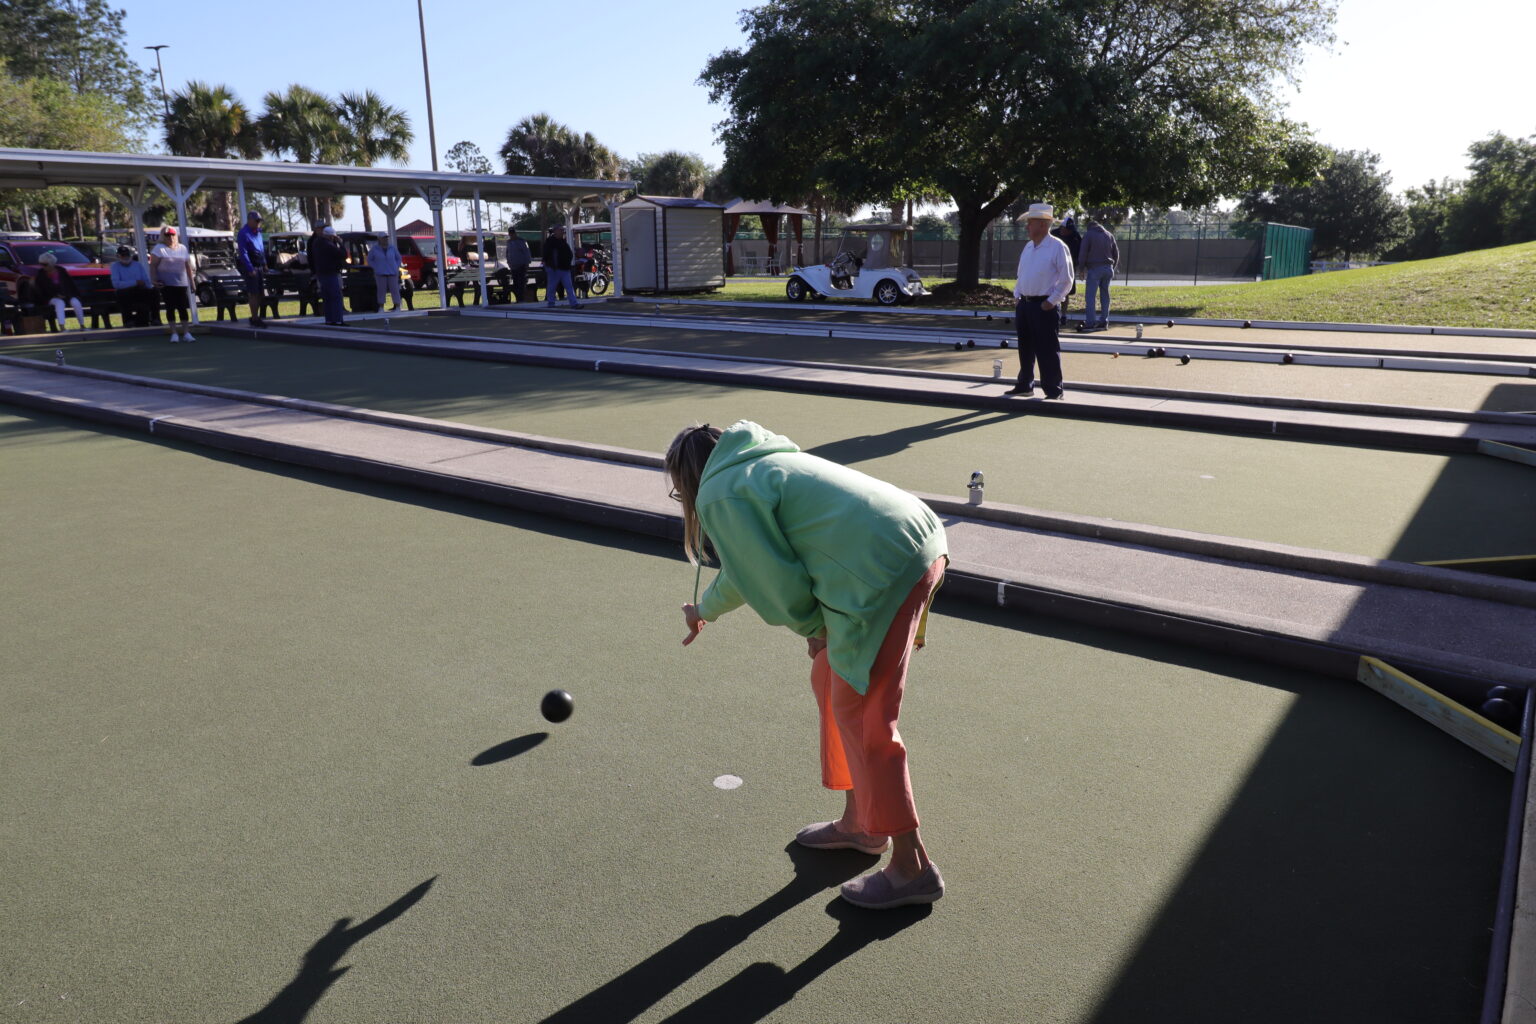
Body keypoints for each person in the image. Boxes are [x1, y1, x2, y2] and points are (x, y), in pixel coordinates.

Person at [669, 420, 949, 910]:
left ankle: (912, 869)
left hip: (881, 567)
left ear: (688, 479)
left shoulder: (721, 492)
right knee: (830, 681)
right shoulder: (755, 464)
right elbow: (745, 570)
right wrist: (704, 612)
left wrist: (814, 628)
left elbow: (775, 582)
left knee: (865, 716)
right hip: (914, 540)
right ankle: (861, 823)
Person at [1008, 203, 1073, 399]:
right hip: (1025, 305)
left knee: (1047, 349)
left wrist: (1051, 301)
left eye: (1031, 223)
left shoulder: (1058, 247)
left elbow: (1067, 279)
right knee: (1025, 347)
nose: (1027, 226)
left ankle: (1053, 390)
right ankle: (1025, 384)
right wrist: (1017, 296)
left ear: (1043, 225)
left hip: (1044, 306)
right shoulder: (1028, 247)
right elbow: (1021, 274)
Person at [149, 226, 195, 342]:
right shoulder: (159, 249)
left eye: (172, 235)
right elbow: (153, 265)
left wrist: (192, 282)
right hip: (166, 283)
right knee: (170, 307)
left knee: (183, 307)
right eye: (167, 235)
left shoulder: (182, 248)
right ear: (163, 236)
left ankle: (186, 333)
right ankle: (174, 333)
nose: (170, 237)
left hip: (181, 282)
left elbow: (187, 266)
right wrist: (154, 279)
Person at [1077, 218, 1120, 332]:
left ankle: (1090, 322)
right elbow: (1116, 253)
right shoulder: (1109, 235)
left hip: (1095, 268)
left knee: (1090, 297)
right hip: (1108, 268)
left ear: (1089, 227)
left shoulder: (1088, 234)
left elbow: (1083, 252)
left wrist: (1081, 269)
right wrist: (1112, 268)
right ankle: (1103, 321)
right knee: (1105, 295)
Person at [32, 251, 86, 331]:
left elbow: (70, 286)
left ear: (52, 263)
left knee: (75, 302)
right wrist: (56, 295)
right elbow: (42, 290)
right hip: (50, 297)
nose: (43, 267)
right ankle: (62, 326)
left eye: (45, 264)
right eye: (41, 264)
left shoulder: (62, 271)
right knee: (59, 303)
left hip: (67, 295)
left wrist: (66, 295)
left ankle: (82, 324)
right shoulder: (40, 274)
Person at [309, 223, 347, 326]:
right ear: (331, 236)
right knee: (335, 297)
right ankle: (338, 319)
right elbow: (343, 254)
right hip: (330, 273)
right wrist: (340, 243)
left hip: (321, 273)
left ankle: (329, 319)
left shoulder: (316, 243)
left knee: (327, 298)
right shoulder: (328, 245)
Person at [108, 245, 154, 326]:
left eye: (127, 255)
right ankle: (128, 321)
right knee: (123, 294)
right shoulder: (115, 266)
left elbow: (146, 280)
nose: (125, 257)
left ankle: (152, 319)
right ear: (118, 256)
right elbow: (116, 284)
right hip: (125, 292)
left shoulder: (138, 265)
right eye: (123, 255)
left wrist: (147, 285)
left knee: (152, 292)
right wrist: (135, 282)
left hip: (139, 291)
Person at [236, 211, 267, 327]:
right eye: (257, 221)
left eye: (259, 221)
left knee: (260, 293)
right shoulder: (244, 233)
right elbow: (243, 253)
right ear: (250, 220)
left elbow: (261, 249)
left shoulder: (258, 233)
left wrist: (264, 263)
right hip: (251, 265)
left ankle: (256, 316)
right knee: (253, 293)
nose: (258, 223)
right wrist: (250, 268)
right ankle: (254, 318)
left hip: (259, 264)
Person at [1050, 214, 1082, 327]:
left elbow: (1080, 251)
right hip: (1052, 268)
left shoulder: (1075, 236)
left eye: (1070, 230)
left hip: (1069, 267)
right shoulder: (1053, 235)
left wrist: (1078, 264)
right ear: (1062, 228)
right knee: (1051, 290)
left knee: (1065, 292)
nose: (1069, 232)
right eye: (1067, 229)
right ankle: (1053, 313)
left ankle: (1063, 315)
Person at [541, 225, 579, 309]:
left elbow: (569, 253)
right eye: (560, 230)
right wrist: (549, 266)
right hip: (554, 269)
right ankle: (551, 304)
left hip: (565, 269)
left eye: (562, 230)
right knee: (552, 287)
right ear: (555, 231)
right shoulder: (550, 242)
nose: (562, 232)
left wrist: (568, 263)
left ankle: (574, 303)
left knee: (569, 287)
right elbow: (545, 255)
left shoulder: (563, 242)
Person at [367, 233, 403, 311]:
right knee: (381, 290)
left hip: (392, 272)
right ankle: (381, 307)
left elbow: (398, 258)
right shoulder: (374, 249)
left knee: (395, 289)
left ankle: (397, 306)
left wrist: (396, 266)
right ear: (379, 239)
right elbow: (369, 259)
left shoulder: (392, 248)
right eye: (384, 238)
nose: (386, 239)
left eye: (386, 238)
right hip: (380, 273)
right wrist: (376, 267)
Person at [504, 231, 532, 301]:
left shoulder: (522, 241)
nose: (511, 235)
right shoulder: (509, 242)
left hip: (521, 265)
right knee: (516, 283)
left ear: (515, 234)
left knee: (521, 283)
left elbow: (527, 252)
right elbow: (507, 253)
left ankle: (522, 298)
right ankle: (518, 298)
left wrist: (527, 263)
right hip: (513, 266)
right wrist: (508, 262)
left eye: (512, 233)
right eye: (510, 234)